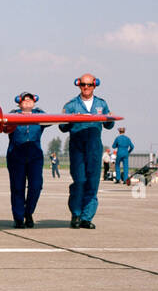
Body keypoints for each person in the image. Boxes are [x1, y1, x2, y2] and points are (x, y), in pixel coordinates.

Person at [59, 74, 115, 229]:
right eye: (83, 84)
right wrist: (69, 119)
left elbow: (109, 126)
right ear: (78, 85)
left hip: (94, 148)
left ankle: (86, 218)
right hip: (77, 148)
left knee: (92, 182)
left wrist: (109, 118)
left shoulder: (101, 104)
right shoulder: (71, 105)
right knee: (80, 181)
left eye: (89, 85)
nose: (86, 87)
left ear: (94, 86)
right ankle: (76, 214)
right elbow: (62, 127)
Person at [6, 92, 48, 227]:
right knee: (17, 187)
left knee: (36, 185)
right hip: (16, 154)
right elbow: (4, 127)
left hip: (34, 155)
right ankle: (18, 218)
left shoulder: (40, 114)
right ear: (19, 102)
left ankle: (28, 212)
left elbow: (53, 121)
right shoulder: (12, 114)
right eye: (25, 100)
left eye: (30, 100)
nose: (28, 102)